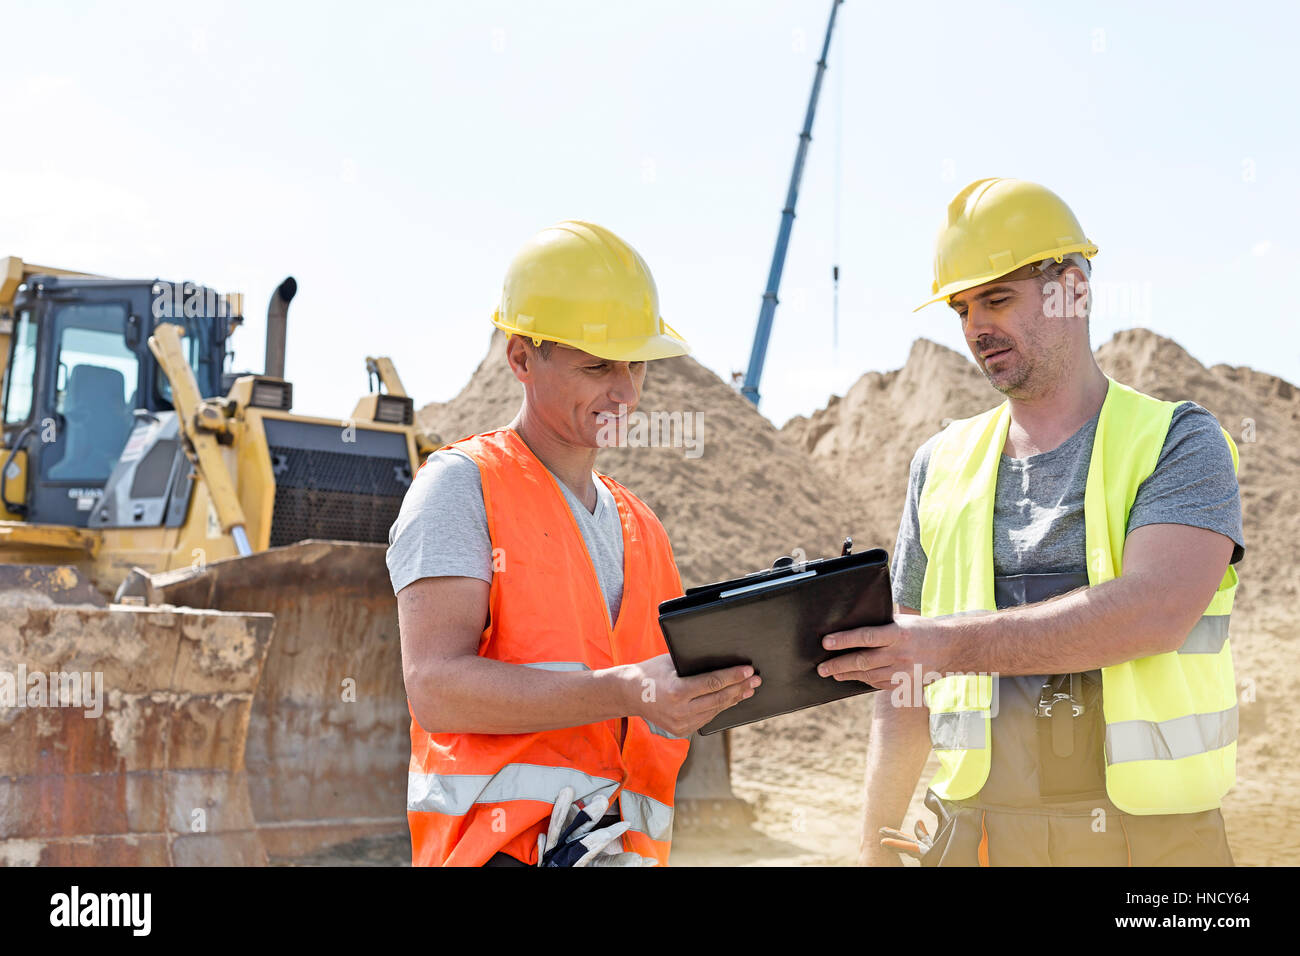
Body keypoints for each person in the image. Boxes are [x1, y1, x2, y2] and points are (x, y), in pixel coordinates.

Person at [820, 178, 1244, 866]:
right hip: (980, 839)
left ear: (1072, 289)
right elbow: (906, 680)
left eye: (996, 298)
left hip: (1158, 847)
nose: (974, 327)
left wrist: (945, 646)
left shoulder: (1179, 442)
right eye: (961, 308)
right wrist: (873, 843)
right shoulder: (939, 464)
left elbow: (1154, 613)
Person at [388, 220, 760, 867]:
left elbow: (656, 699)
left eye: (635, 364)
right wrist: (622, 690)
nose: (625, 390)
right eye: (597, 365)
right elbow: (434, 687)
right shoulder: (462, 487)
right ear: (522, 358)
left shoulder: (641, 526)